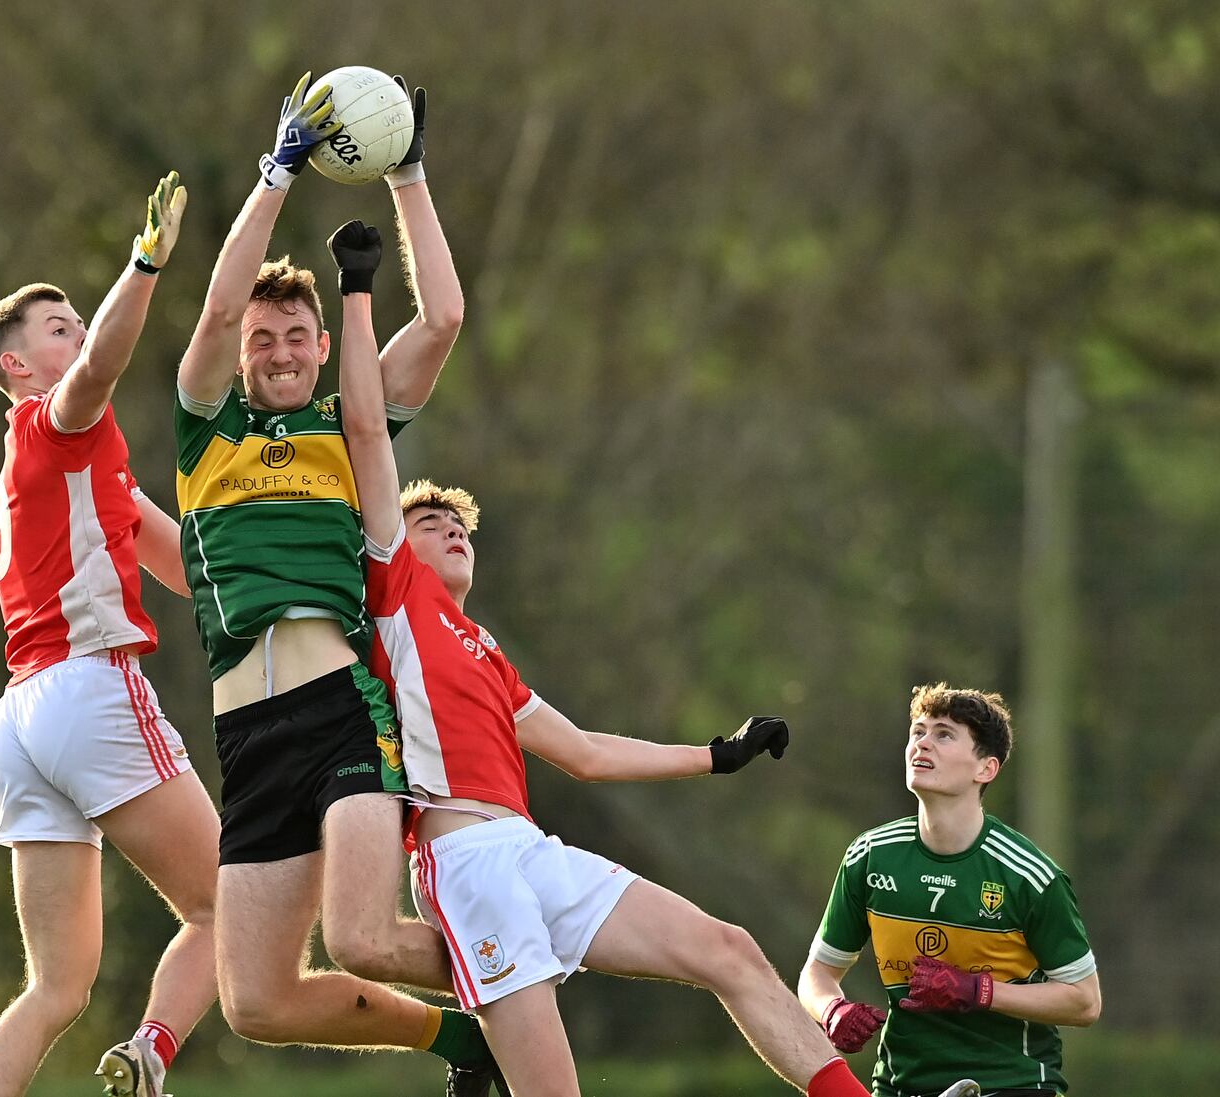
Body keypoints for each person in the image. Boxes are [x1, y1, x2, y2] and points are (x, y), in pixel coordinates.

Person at [327, 217, 882, 1097]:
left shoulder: (484, 648)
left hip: (529, 848)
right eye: (432, 523)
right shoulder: (397, 590)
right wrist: (357, 294)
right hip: (462, 857)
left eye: (460, 523)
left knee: (729, 948)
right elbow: (364, 430)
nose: (450, 531)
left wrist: (715, 754)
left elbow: (582, 752)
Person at [172, 75, 502, 1092]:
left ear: (323, 349)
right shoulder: (206, 429)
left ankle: (547, 965)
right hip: (247, 736)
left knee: (360, 935)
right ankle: (469, 1041)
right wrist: (275, 173)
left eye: (296, 338)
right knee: (258, 999)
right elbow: (222, 299)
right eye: (261, 340)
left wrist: (407, 172)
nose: (275, 349)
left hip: (343, 708)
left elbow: (442, 316)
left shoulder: (346, 428)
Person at [0, 174, 221, 1097]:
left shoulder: (75, 465)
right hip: (85, 690)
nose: (78, 329)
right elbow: (103, 368)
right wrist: (145, 262)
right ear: (21, 369)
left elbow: (189, 570)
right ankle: (152, 1052)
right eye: (59, 326)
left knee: (55, 986)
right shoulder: (51, 426)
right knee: (225, 903)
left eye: (77, 316)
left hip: (24, 720)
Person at [798, 684, 1101, 1097]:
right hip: (901, 1086)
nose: (922, 744)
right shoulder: (870, 857)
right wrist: (832, 1010)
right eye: (917, 732)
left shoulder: (1030, 876)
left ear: (986, 769)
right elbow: (818, 973)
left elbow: (1084, 1002)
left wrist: (979, 991)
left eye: (943, 734)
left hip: (1014, 1084)